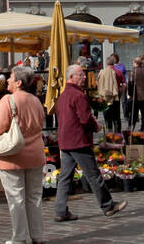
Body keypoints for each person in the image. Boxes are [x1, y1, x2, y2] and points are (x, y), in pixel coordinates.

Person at [52, 64, 127, 223]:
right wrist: (96, 126)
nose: (84, 77)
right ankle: (108, 206)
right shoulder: (78, 96)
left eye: (83, 74)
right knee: (93, 175)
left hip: (66, 141)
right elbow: (85, 119)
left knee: (65, 177)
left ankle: (60, 211)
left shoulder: (63, 95)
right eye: (80, 75)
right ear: (71, 77)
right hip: (79, 141)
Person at [97, 51, 121, 129]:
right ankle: (118, 133)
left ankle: (109, 133)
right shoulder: (117, 72)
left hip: (105, 97)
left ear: (106, 63)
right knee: (116, 117)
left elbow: (98, 83)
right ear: (114, 63)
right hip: (115, 97)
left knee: (107, 118)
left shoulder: (102, 72)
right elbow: (123, 84)